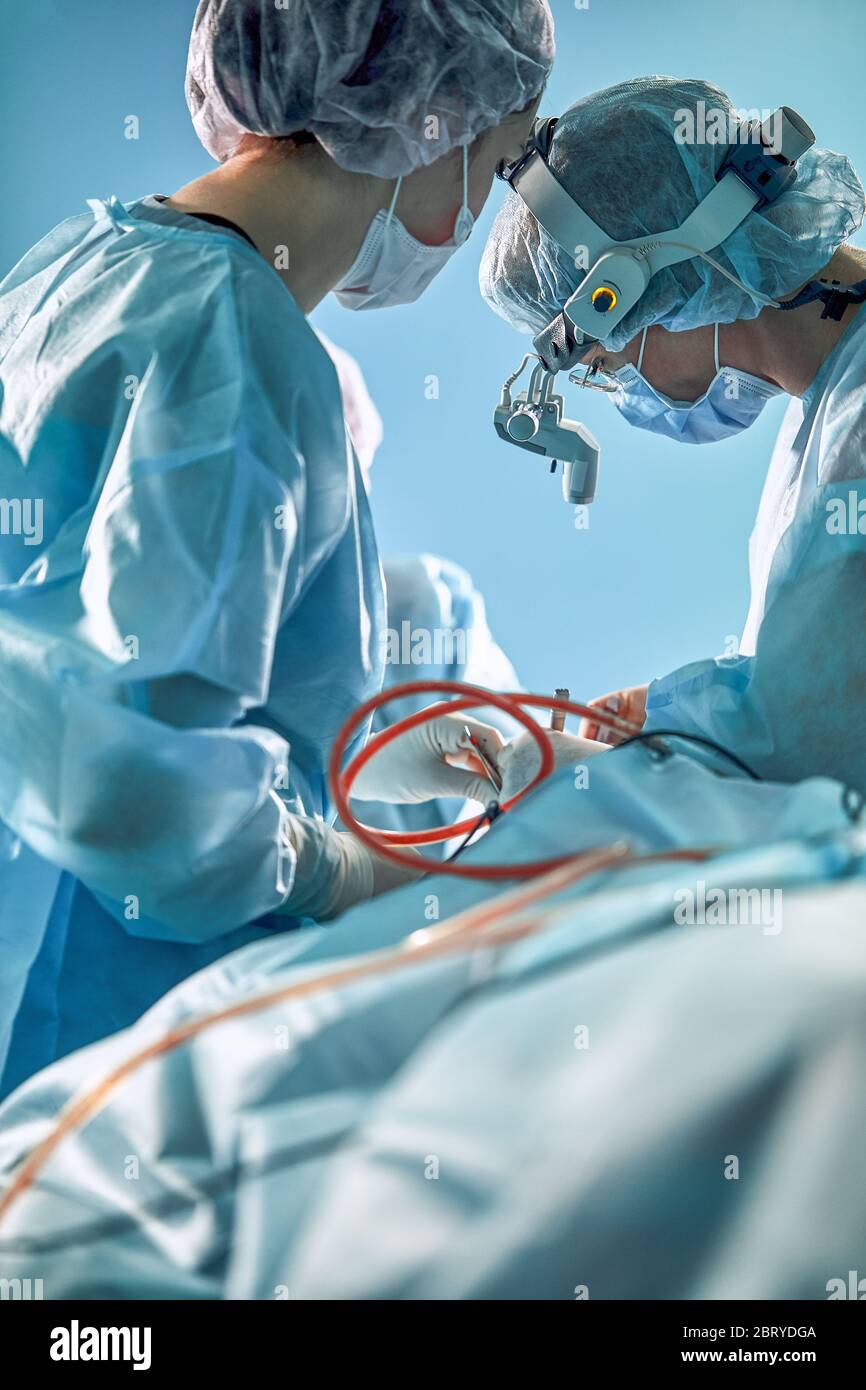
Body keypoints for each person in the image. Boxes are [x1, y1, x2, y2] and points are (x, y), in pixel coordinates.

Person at [0, 0, 555, 1096]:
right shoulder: (236, 342)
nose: (469, 220)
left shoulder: (85, 261)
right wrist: (325, 867)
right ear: (430, 122)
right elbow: (128, 781)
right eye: (489, 173)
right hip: (106, 1027)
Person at [480, 76, 866, 791]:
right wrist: (658, 720)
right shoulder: (828, 413)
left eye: (603, 362)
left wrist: (639, 762)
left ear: (646, 291)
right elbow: (818, 676)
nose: (621, 389)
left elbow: (822, 743)